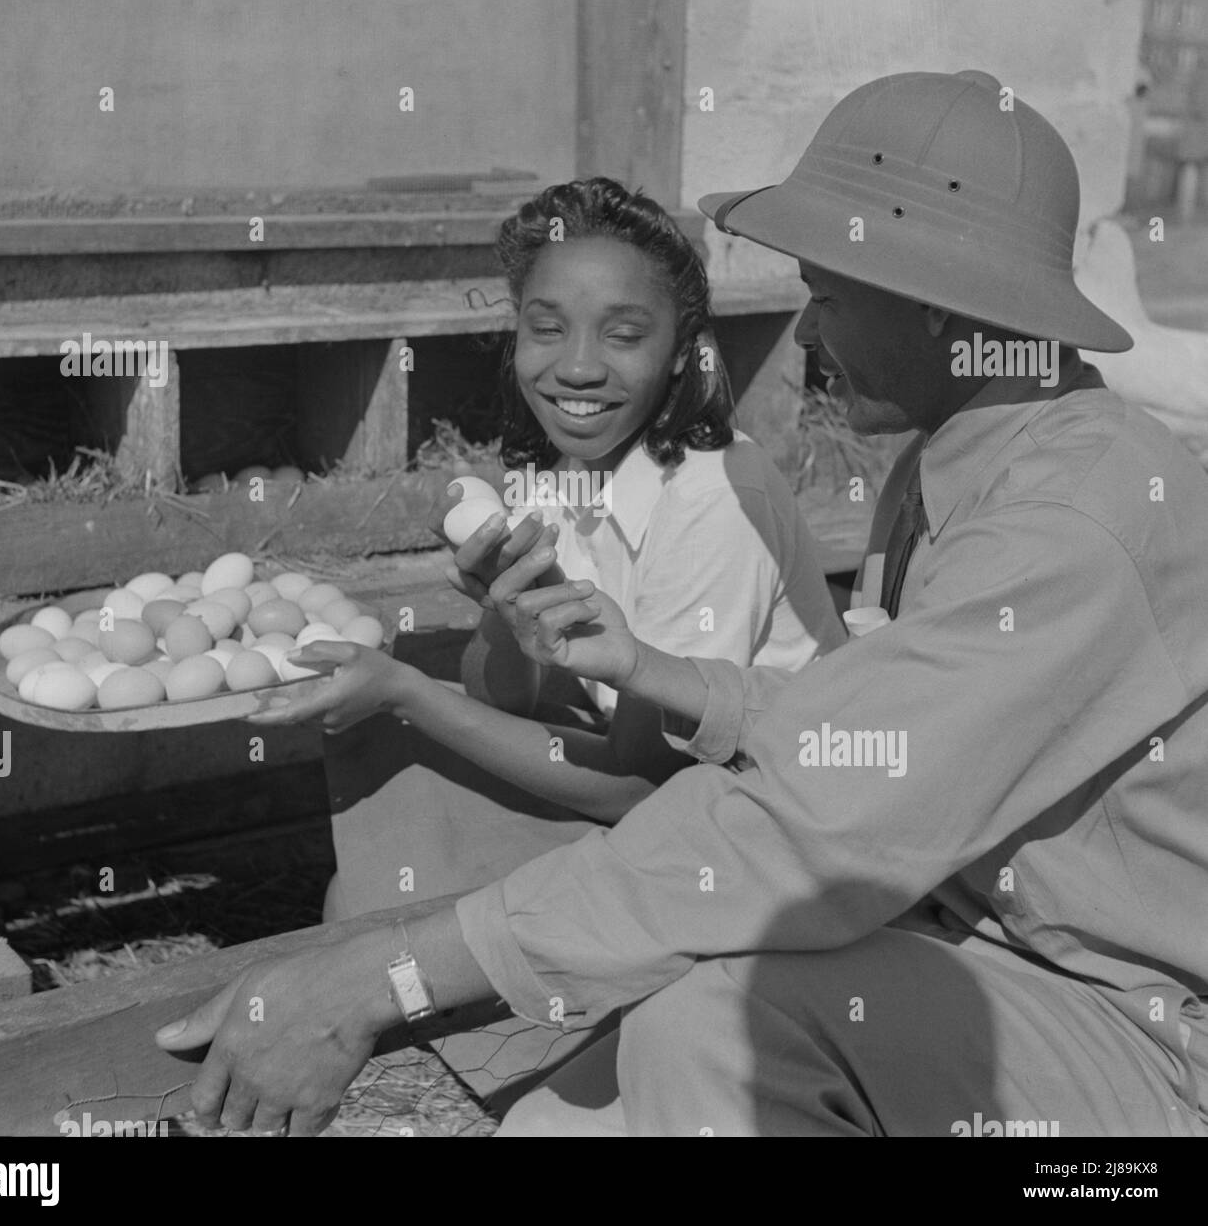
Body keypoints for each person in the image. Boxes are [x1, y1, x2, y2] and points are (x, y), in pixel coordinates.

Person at [156, 70, 1208, 1138]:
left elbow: (817, 819)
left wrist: (390, 975)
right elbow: (869, 730)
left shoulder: (1072, 522)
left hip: (1130, 1027)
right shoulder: (954, 466)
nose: (803, 333)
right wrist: (656, 671)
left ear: (936, 301)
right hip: (962, 938)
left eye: (828, 293)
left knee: (717, 1022)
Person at [269, 177, 842, 923]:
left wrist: (405, 692)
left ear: (680, 354)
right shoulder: (556, 473)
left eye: (624, 335)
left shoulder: (713, 496)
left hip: (752, 835)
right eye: (547, 328)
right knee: (365, 883)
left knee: (371, 892)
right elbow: (502, 696)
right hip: (644, 792)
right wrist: (500, 616)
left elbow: (641, 785)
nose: (576, 367)